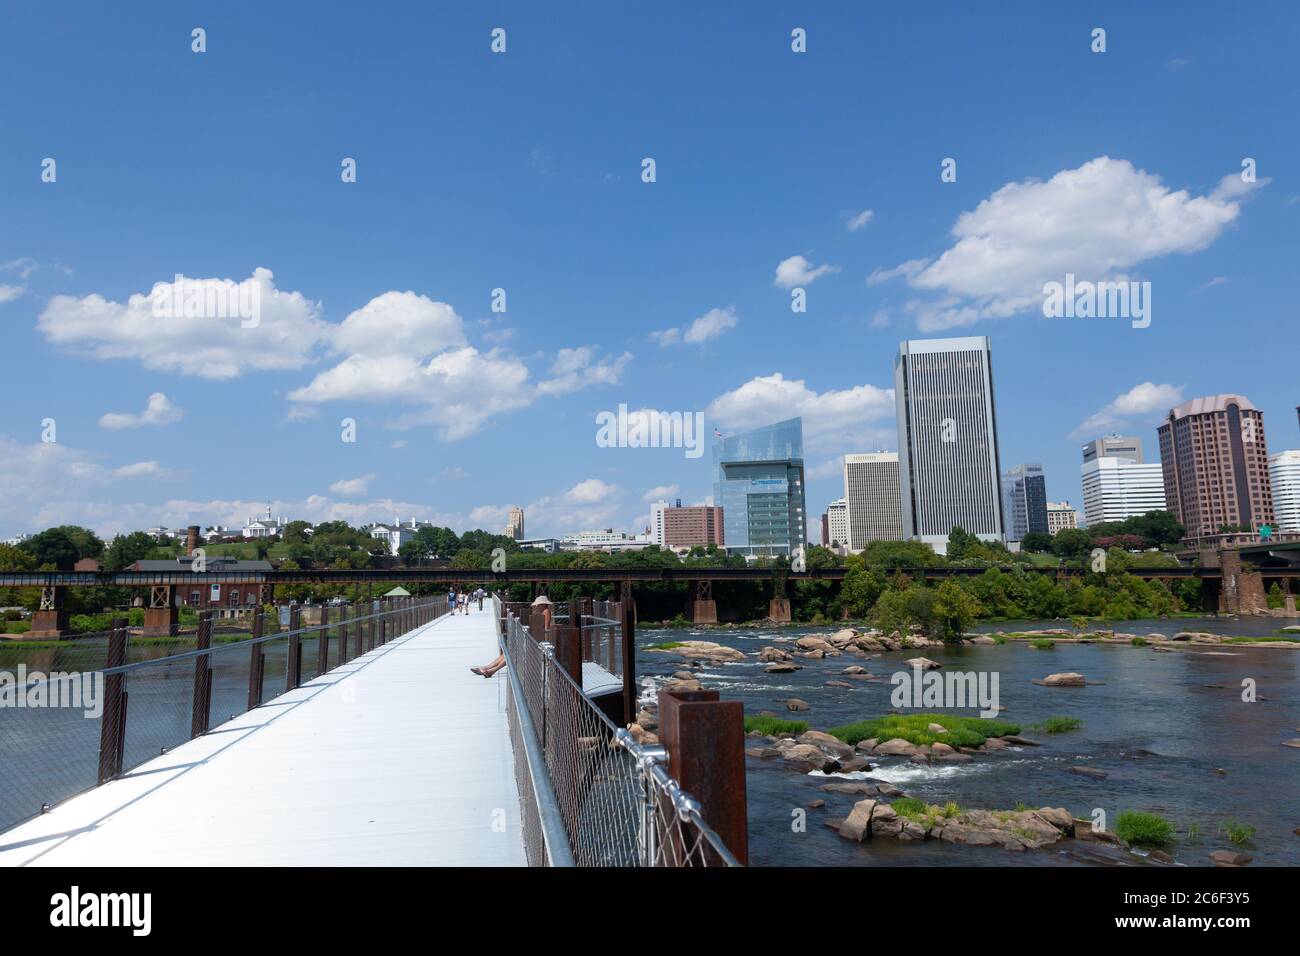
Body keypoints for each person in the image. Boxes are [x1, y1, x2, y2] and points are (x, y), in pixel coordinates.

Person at [472, 594, 550, 678]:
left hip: (538, 643)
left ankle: (491, 670)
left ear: (541, 604)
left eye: (537, 605)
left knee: (511, 653)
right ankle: (487, 668)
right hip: (535, 640)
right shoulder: (541, 612)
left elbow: (545, 628)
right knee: (508, 652)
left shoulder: (546, 612)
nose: (536, 606)